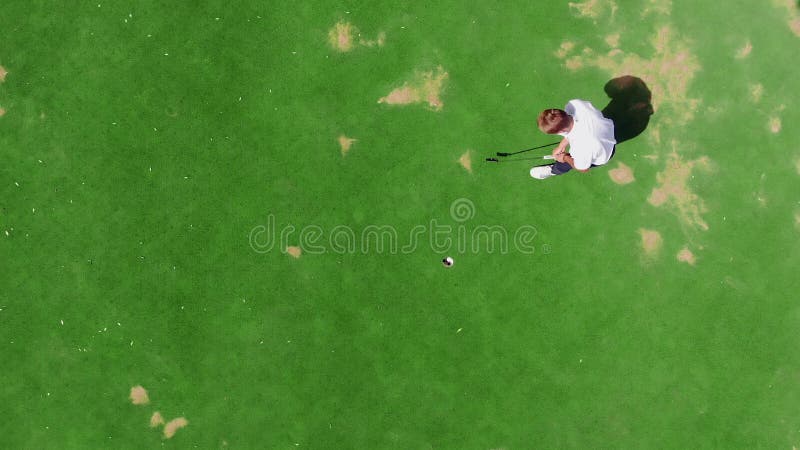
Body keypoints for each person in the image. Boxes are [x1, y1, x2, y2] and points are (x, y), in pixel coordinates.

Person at [530, 99, 616, 180]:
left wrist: (564, 157)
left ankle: (554, 170)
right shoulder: (576, 104)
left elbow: (583, 169)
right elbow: (572, 128)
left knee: (569, 162)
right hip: (607, 131)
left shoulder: (579, 149)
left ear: (562, 131)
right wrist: (561, 146)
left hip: (602, 156)